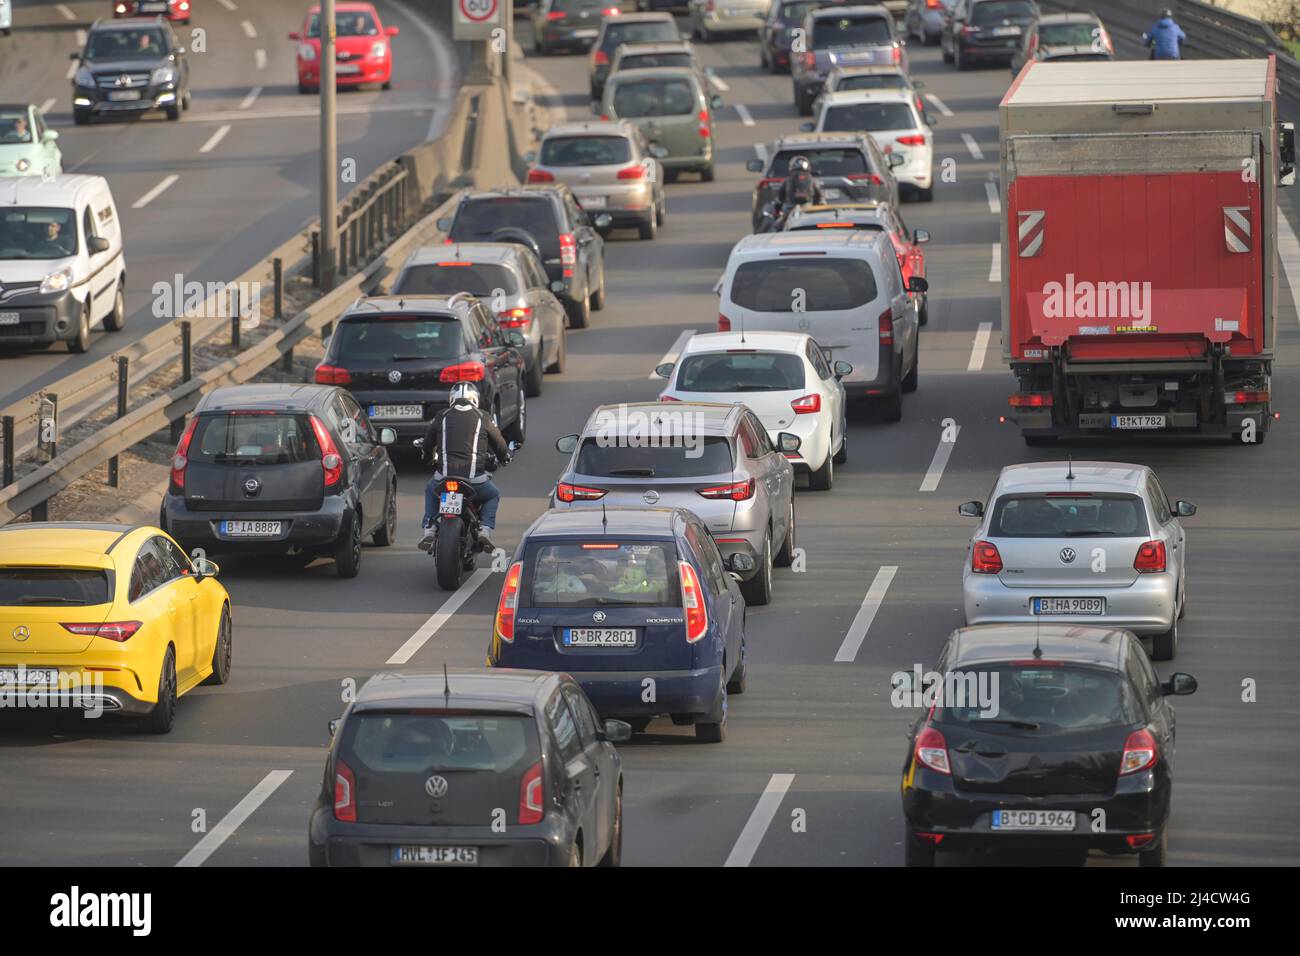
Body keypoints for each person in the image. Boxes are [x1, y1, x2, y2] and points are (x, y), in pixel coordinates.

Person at [418, 382, 510, 553]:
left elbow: (428, 443)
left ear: (452, 399)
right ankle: (485, 529)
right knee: (493, 495)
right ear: (475, 399)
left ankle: (429, 528)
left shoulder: (441, 416)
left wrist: (428, 458)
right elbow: (500, 444)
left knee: (430, 490)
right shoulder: (484, 416)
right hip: (475, 481)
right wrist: (505, 457)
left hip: (444, 479)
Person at [775, 155, 823, 226]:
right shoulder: (812, 180)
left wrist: (778, 208)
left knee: (777, 225)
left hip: (790, 208)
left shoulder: (787, 181)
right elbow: (819, 196)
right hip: (808, 208)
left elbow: (780, 197)